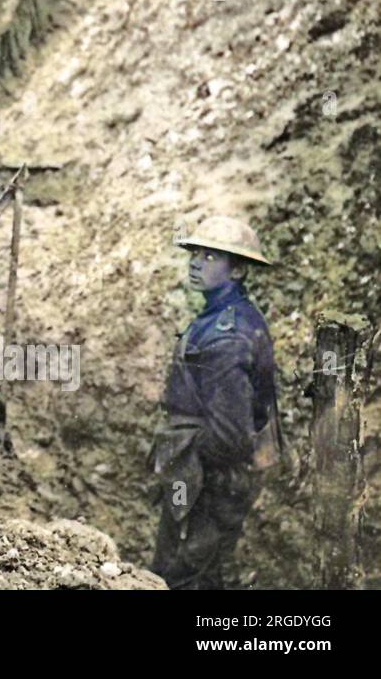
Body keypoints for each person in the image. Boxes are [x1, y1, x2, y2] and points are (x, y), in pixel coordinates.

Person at [151, 215, 280, 590]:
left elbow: (228, 436)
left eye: (210, 257)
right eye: (195, 253)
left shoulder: (230, 335)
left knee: (185, 572)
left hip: (207, 480)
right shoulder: (221, 317)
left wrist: (188, 457)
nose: (195, 262)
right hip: (190, 474)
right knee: (175, 561)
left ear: (238, 269)